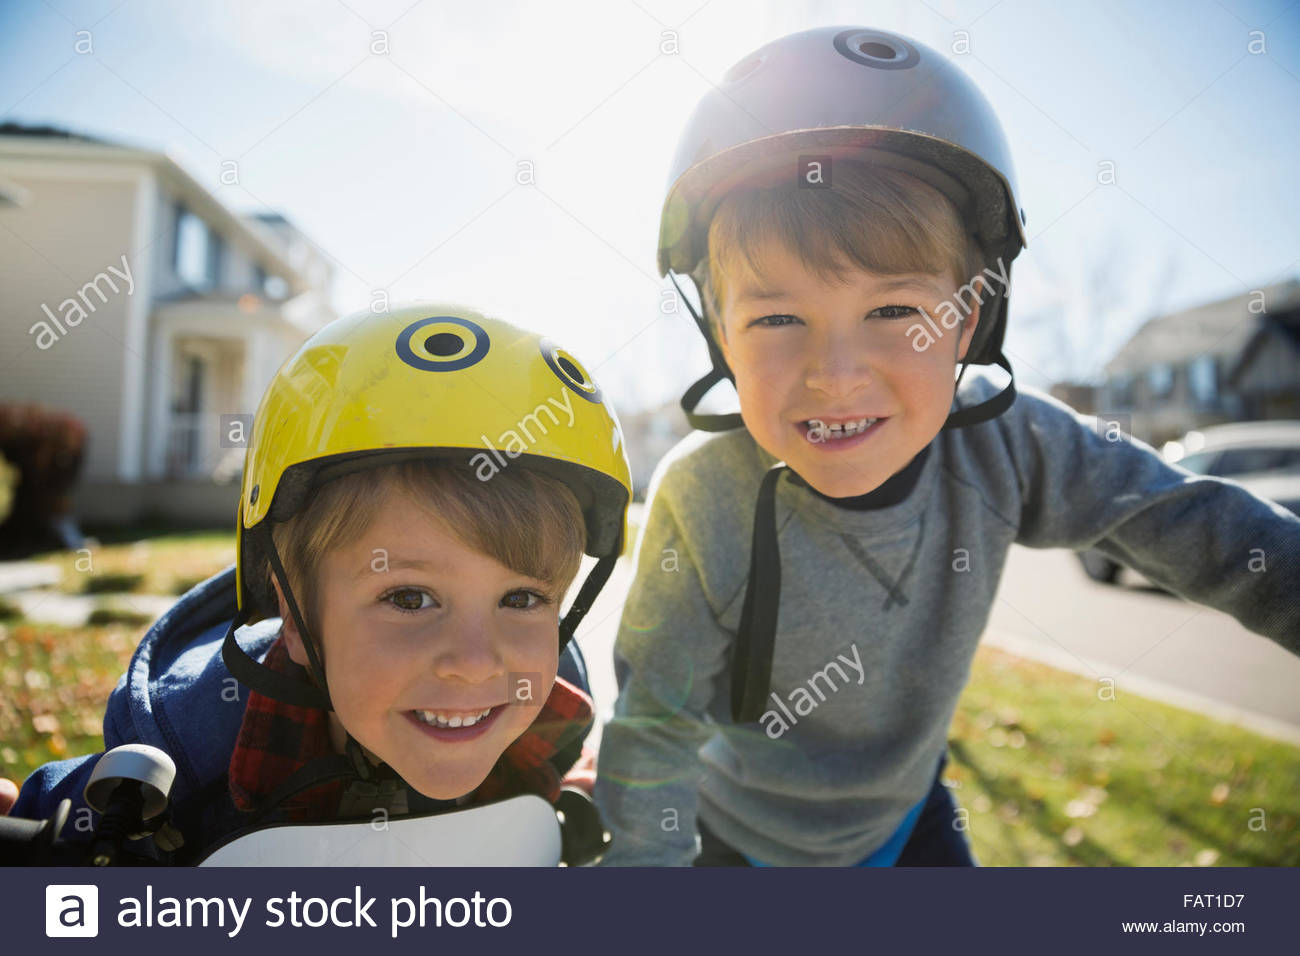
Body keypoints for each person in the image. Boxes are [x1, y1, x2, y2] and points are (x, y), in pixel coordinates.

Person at [593, 26, 1300, 867]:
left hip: (907, 818)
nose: (835, 375)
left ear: (967, 319)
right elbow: (653, 733)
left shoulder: (1012, 445)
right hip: (735, 841)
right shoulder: (702, 496)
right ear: (720, 338)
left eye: (895, 312)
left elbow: (1206, 528)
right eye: (777, 318)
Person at [3, 304, 631, 863]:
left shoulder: (547, 724)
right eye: (409, 598)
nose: (473, 664)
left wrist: (577, 796)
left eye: (521, 598)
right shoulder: (179, 764)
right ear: (298, 616)